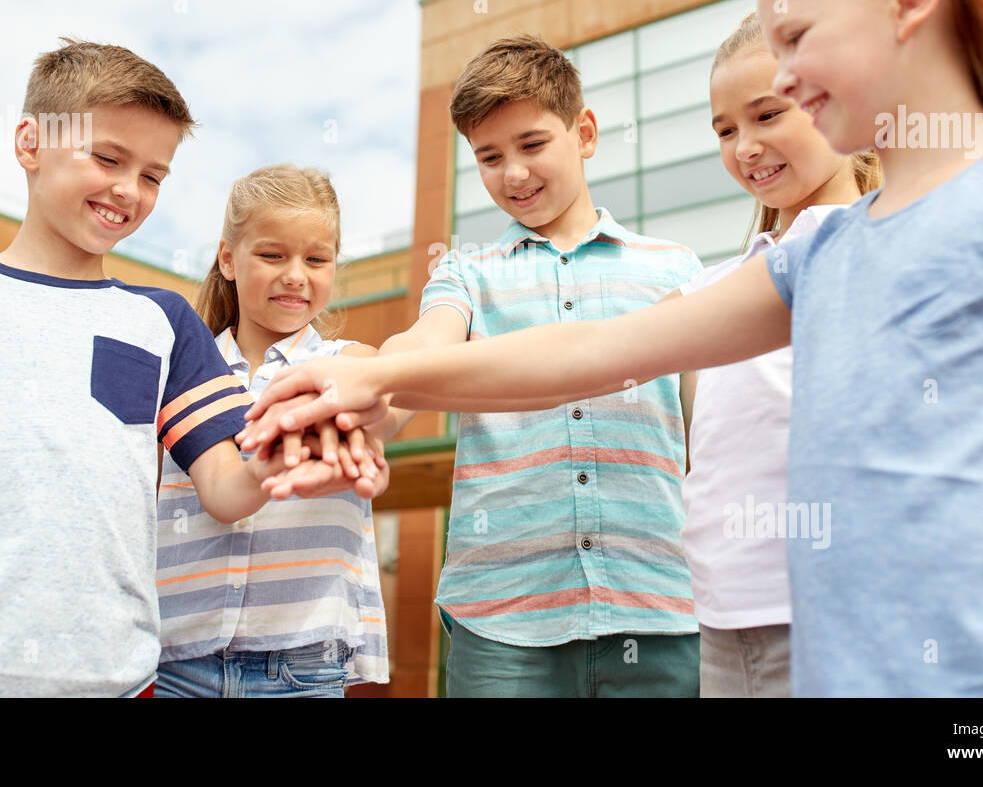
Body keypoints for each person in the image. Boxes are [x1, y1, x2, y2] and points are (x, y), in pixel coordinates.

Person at [246, 0, 983, 697]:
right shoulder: (813, 254)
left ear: (909, 0)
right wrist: (374, 373)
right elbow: (591, 352)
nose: (781, 74)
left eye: (795, 39)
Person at [0, 39, 343, 697]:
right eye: (107, 158)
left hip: (115, 684)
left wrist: (276, 463)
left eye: (154, 176)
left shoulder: (164, 322)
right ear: (30, 142)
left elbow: (223, 488)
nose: (129, 190)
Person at [259, 34, 704, 697]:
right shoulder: (465, 273)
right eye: (489, 157)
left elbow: (708, 430)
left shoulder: (674, 269)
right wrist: (360, 399)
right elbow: (423, 349)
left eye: (531, 145)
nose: (513, 175)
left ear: (584, 132)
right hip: (501, 621)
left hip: (660, 607)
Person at [670, 11, 879, 697]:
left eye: (767, 115)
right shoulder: (717, 285)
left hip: (821, 608)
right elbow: (588, 354)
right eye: (726, 130)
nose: (745, 147)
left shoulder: (870, 241)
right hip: (724, 611)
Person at [156, 164, 394, 697]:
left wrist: (367, 461)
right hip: (173, 661)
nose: (295, 275)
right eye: (272, 255)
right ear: (227, 259)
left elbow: (378, 426)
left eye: (316, 259)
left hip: (301, 668)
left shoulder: (352, 365)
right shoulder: (179, 370)